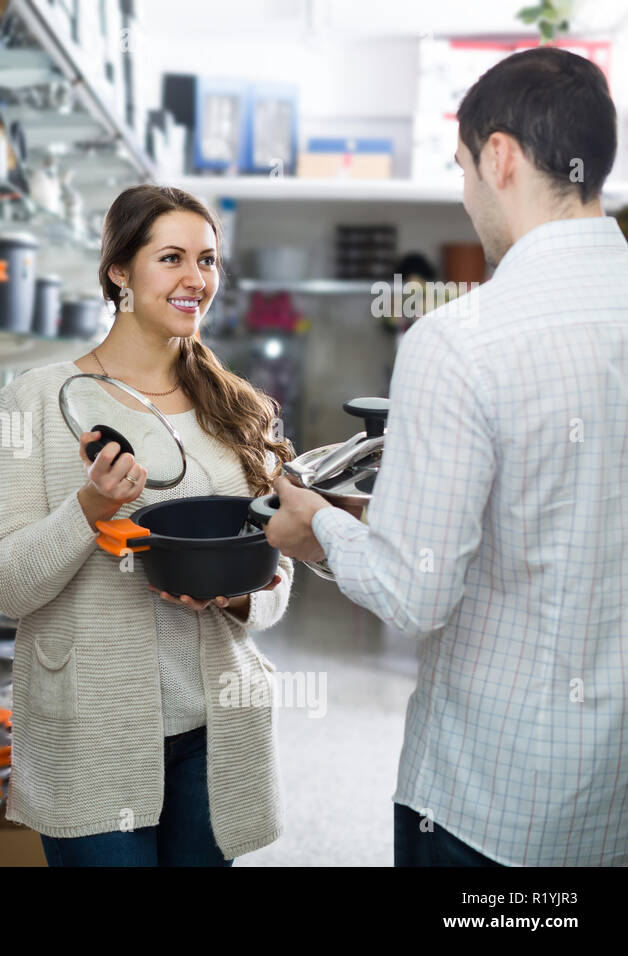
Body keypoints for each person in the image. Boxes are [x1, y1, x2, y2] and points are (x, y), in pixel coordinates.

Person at [264, 46, 627, 867]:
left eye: (462, 167)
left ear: (499, 157)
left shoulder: (461, 340)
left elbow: (413, 589)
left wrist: (318, 526)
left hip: (493, 804)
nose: (466, 195)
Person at [0, 184, 294, 866]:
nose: (196, 279)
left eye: (208, 261)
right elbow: (8, 584)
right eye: (172, 258)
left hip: (215, 730)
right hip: (90, 730)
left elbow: (278, 568)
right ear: (119, 270)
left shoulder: (239, 409)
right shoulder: (35, 400)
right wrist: (89, 508)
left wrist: (238, 594)